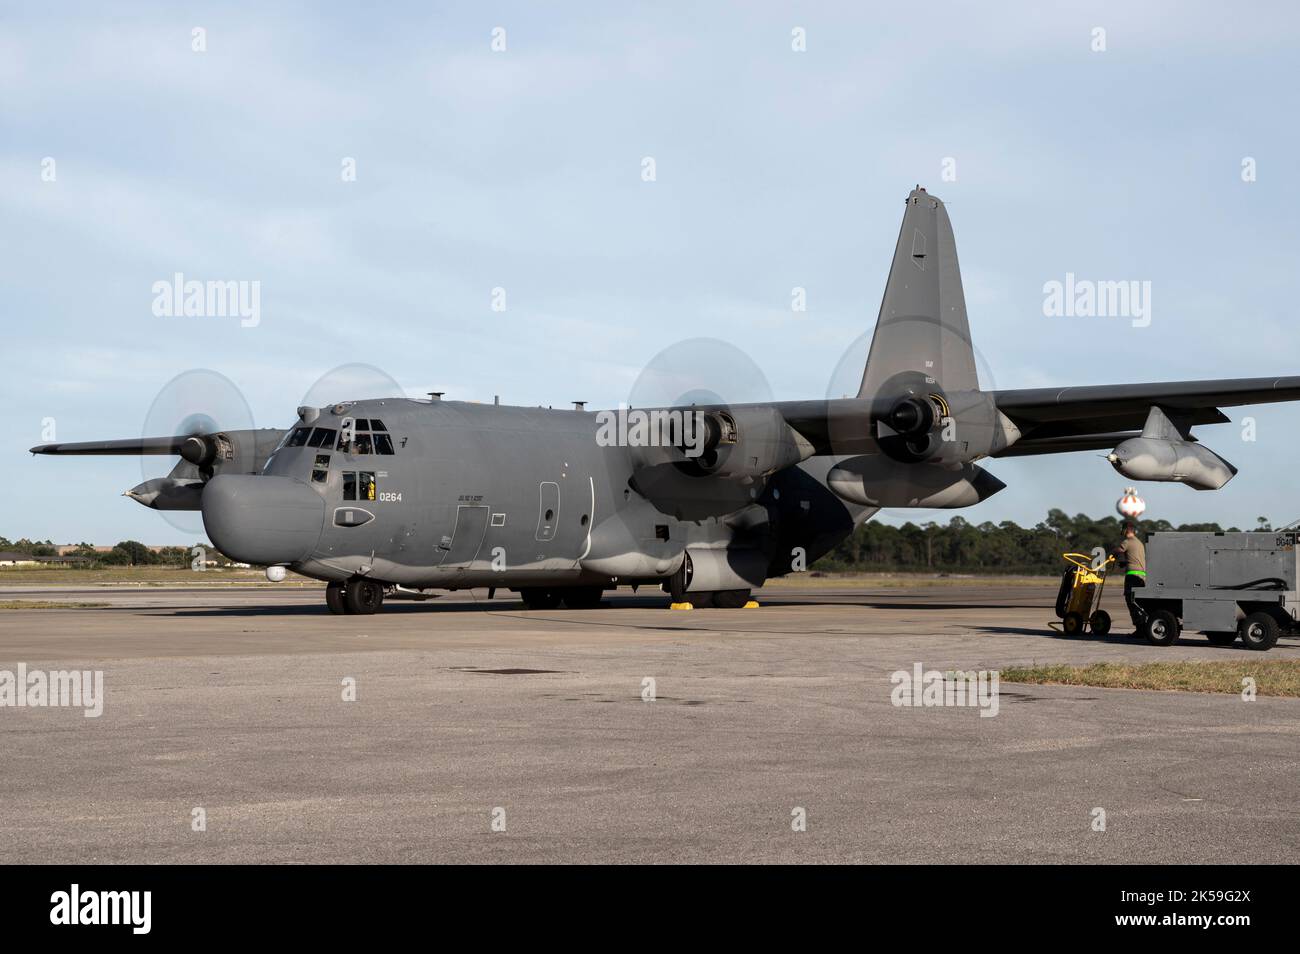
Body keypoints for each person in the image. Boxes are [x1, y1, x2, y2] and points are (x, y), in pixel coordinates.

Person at [1113, 523, 1147, 628]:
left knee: (1131, 601)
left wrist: (1111, 553)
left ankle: (1139, 627)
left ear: (1126, 530)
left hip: (1132, 576)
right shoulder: (1139, 543)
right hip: (1142, 576)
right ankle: (1143, 624)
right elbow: (1135, 558)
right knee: (1139, 602)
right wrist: (1125, 563)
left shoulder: (1127, 541)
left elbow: (1119, 550)